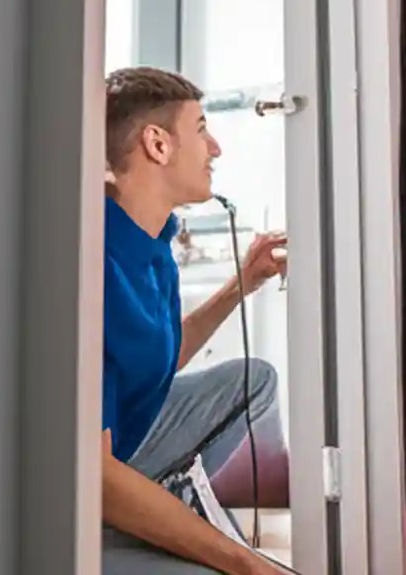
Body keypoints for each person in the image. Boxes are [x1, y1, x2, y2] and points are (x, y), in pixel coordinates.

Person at [101, 66, 292, 574]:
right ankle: (131, 524)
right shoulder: (93, 262)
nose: (216, 148)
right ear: (157, 144)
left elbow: (157, 357)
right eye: (202, 128)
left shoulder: (154, 238)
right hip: (76, 485)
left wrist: (242, 283)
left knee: (255, 381)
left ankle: (155, 511)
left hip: (113, 456)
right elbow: (89, 470)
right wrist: (246, 563)